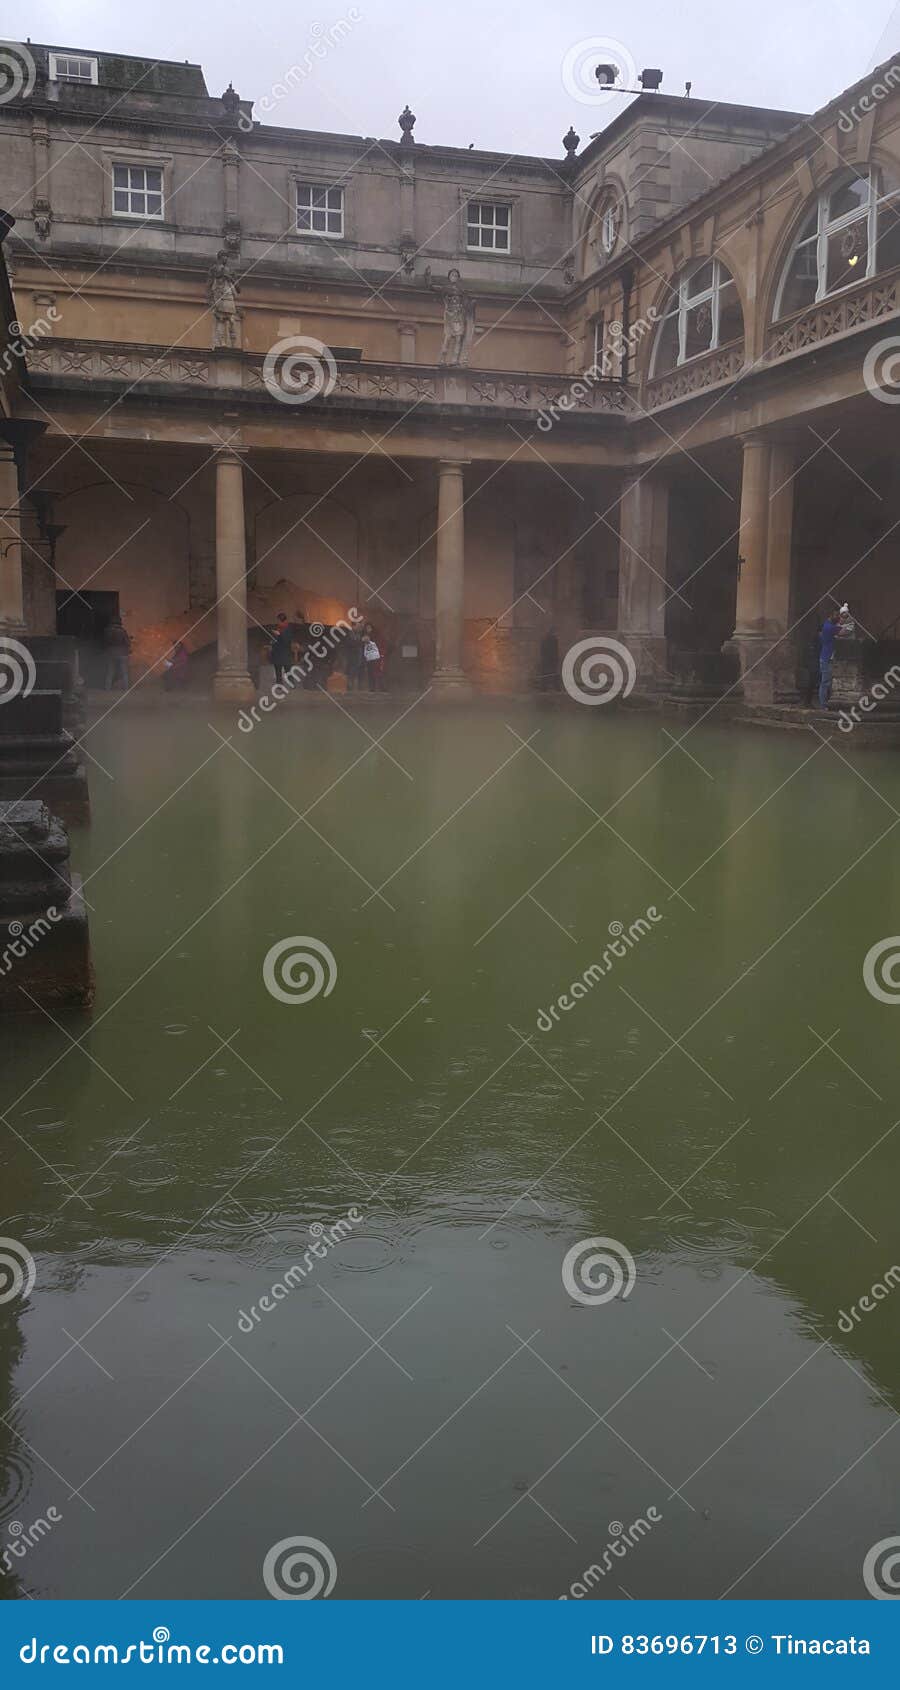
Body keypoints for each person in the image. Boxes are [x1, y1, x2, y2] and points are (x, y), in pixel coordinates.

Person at [817, 608, 843, 709]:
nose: (838, 618)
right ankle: (823, 705)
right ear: (830, 616)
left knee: (828, 682)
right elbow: (844, 631)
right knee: (825, 682)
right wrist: (844, 623)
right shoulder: (829, 627)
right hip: (826, 658)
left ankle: (827, 703)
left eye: (838, 616)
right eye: (836, 616)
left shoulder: (828, 625)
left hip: (827, 657)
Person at [103, 615, 132, 691]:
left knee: (110, 672)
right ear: (119, 622)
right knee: (124, 672)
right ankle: (126, 689)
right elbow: (127, 643)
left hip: (110, 653)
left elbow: (104, 643)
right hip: (122, 654)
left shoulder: (107, 631)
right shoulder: (122, 631)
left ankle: (107, 688)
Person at [269, 612, 292, 686]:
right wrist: (273, 641)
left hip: (285, 653)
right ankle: (279, 685)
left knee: (288, 670)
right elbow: (276, 640)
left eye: (279, 621)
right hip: (277, 653)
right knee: (278, 671)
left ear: (283, 621)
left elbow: (286, 640)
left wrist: (279, 635)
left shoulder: (288, 629)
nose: (278, 623)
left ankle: (291, 684)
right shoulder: (278, 628)